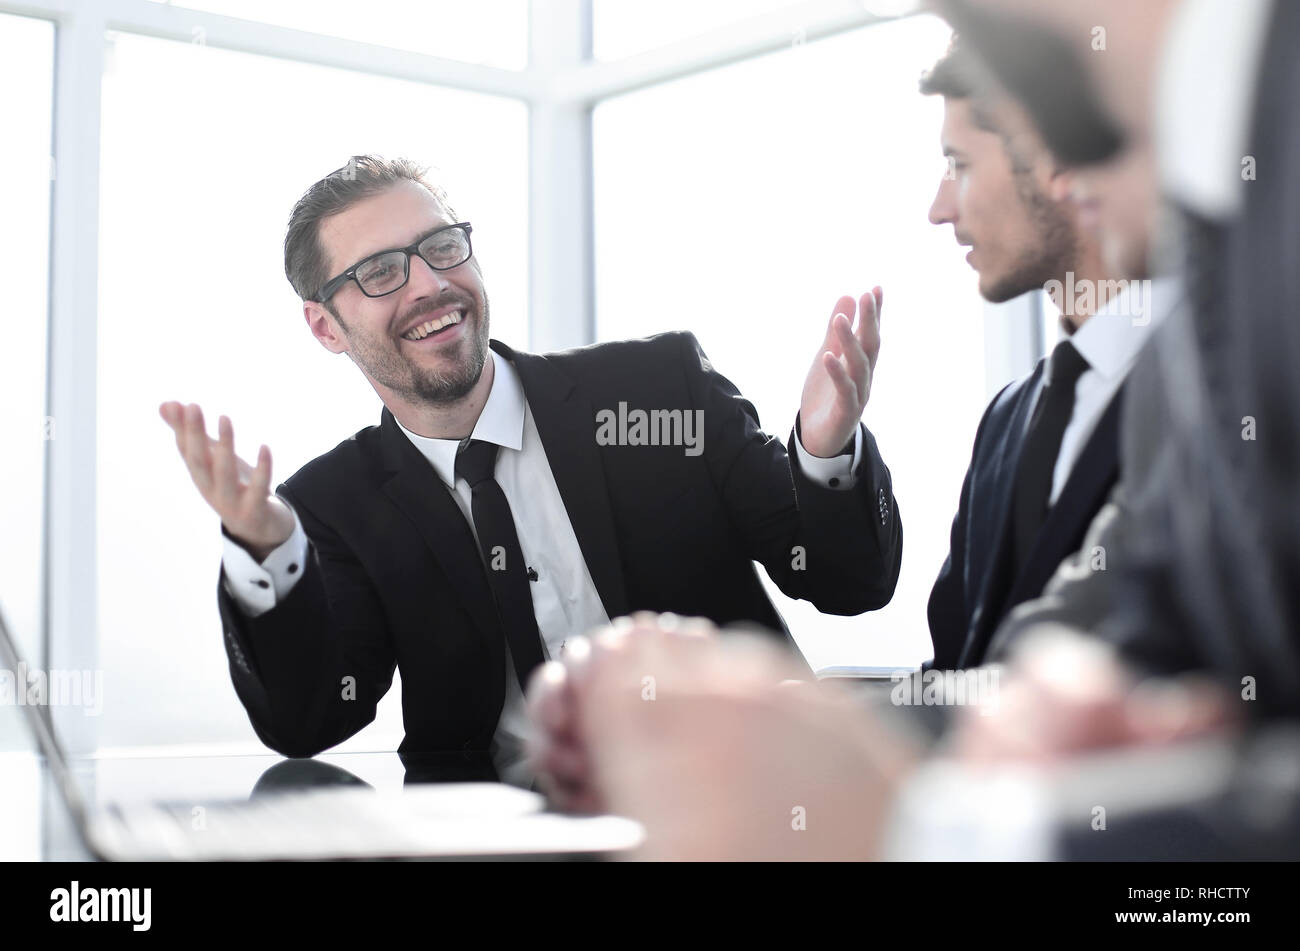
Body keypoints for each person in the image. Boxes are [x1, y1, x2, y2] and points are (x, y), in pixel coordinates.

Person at [159, 156, 903, 764]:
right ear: (325, 326)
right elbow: (313, 720)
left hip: (745, 806)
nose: (429, 284)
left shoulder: (654, 388)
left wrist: (827, 446)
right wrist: (266, 553)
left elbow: (847, 582)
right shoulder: (332, 505)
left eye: (442, 247)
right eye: (382, 272)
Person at [919, 39, 1170, 669]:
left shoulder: (1213, 387)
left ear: (1051, 153)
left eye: (961, 165)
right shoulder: (1006, 418)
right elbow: (955, 670)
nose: (939, 209)